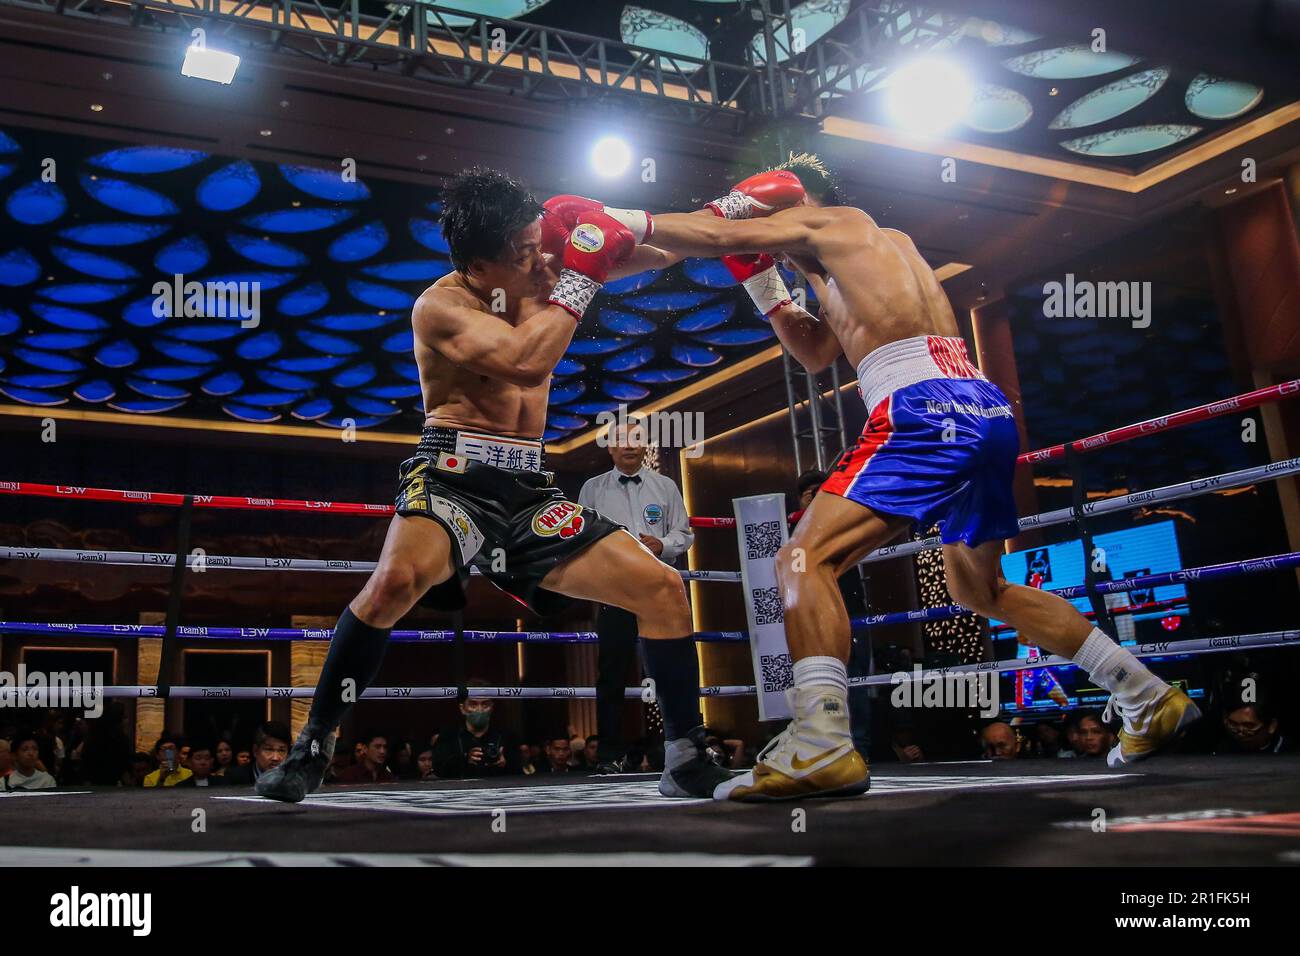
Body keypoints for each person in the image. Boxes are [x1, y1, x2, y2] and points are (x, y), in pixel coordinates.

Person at [633, 153, 1198, 800]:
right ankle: (1144, 693)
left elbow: (717, 234)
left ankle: (820, 741)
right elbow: (817, 353)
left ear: (800, 202)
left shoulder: (839, 223)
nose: (767, 231)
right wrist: (767, 287)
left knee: (800, 561)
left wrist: (620, 222)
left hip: (922, 409)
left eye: (769, 213)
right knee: (980, 591)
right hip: (980, 410)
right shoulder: (862, 258)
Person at [257, 168, 730, 804]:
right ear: (479, 265)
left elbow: (665, 248)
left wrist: (735, 215)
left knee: (663, 589)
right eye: (523, 253)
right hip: (452, 476)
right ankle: (315, 743)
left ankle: (687, 751)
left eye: (540, 244)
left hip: (529, 487)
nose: (541, 261)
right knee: (394, 583)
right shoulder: (441, 307)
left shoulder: (545, 268)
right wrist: (582, 277)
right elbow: (524, 362)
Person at [578, 416, 695, 772]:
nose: (628, 446)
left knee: (666, 670)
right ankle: (610, 754)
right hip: (615, 592)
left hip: (658, 591)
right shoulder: (592, 489)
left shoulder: (665, 487)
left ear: (644, 446)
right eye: (621, 440)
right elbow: (580, 535)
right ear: (610, 447)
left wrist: (664, 543)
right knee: (611, 673)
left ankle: (670, 751)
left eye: (635, 439)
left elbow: (685, 533)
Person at [431, 685, 522, 779]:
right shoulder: (448, 736)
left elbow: (520, 773)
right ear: (462, 708)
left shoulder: (507, 737)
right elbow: (438, 769)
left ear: (492, 707)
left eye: (485, 704)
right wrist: (465, 759)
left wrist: (505, 764)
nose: (479, 709)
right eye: (473, 704)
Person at [226, 721, 290, 786]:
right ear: (255, 751)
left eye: (282, 750)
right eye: (269, 749)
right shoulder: (235, 777)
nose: (275, 758)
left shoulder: (292, 779)